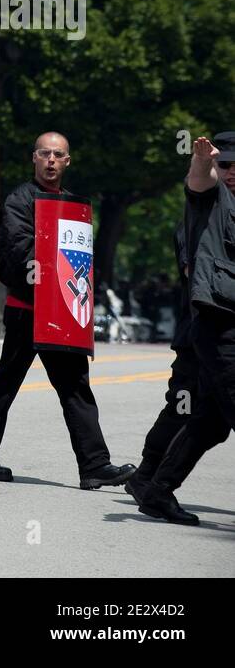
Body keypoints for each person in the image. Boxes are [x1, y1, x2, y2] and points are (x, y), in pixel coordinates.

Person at [0, 132, 135, 488]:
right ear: (35, 158)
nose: (52, 160)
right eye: (45, 154)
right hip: (27, 310)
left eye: (58, 155)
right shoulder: (19, 202)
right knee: (7, 383)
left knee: (75, 386)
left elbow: (80, 262)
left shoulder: (73, 207)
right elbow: (17, 254)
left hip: (63, 312)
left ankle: (94, 466)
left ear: (67, 161)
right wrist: (49, 276)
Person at [129, 134, 235, 524]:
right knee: (182, 406)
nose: (231, 173)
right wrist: (201, 162)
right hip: (213, 327)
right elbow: (199, 182)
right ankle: (148, 478)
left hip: (212, 332)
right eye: (225, 165)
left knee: (208, 421)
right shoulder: (207, 204)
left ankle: (156, 489)